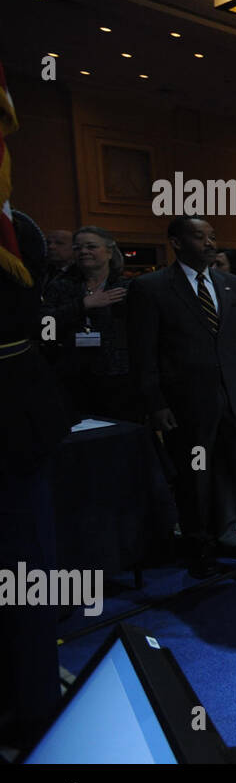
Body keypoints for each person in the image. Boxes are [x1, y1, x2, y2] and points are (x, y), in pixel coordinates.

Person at [128, 216, 236, 578]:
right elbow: (144, 354)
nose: (209, 243)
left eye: (212, 236)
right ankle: (198, 542)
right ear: (176, 242)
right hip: (185, 405)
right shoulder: (151, 287)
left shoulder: (233, 285)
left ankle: (228, 537)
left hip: (235, 398)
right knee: (195, 474)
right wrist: (156, 403)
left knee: (233, 470)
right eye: (199, 236)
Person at [0, 205, 72, 753]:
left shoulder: (17, 229)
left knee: (24, 580)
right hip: (18, 411)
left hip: (14, 420)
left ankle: (32, 704)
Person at [42, 226, 135, 421]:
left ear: (109, 252)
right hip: (72, 374)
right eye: (78, 248)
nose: (84, 252)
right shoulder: (60, 286)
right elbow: (45, 327)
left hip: (118, 376)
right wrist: (82, 305)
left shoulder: (128, 287)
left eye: (91, 246)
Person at [38, 227, 75, 294]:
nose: (51, 247)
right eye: (48, 243)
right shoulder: (41, 270)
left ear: (74, 247)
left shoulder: (82, 273)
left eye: (59, 243)